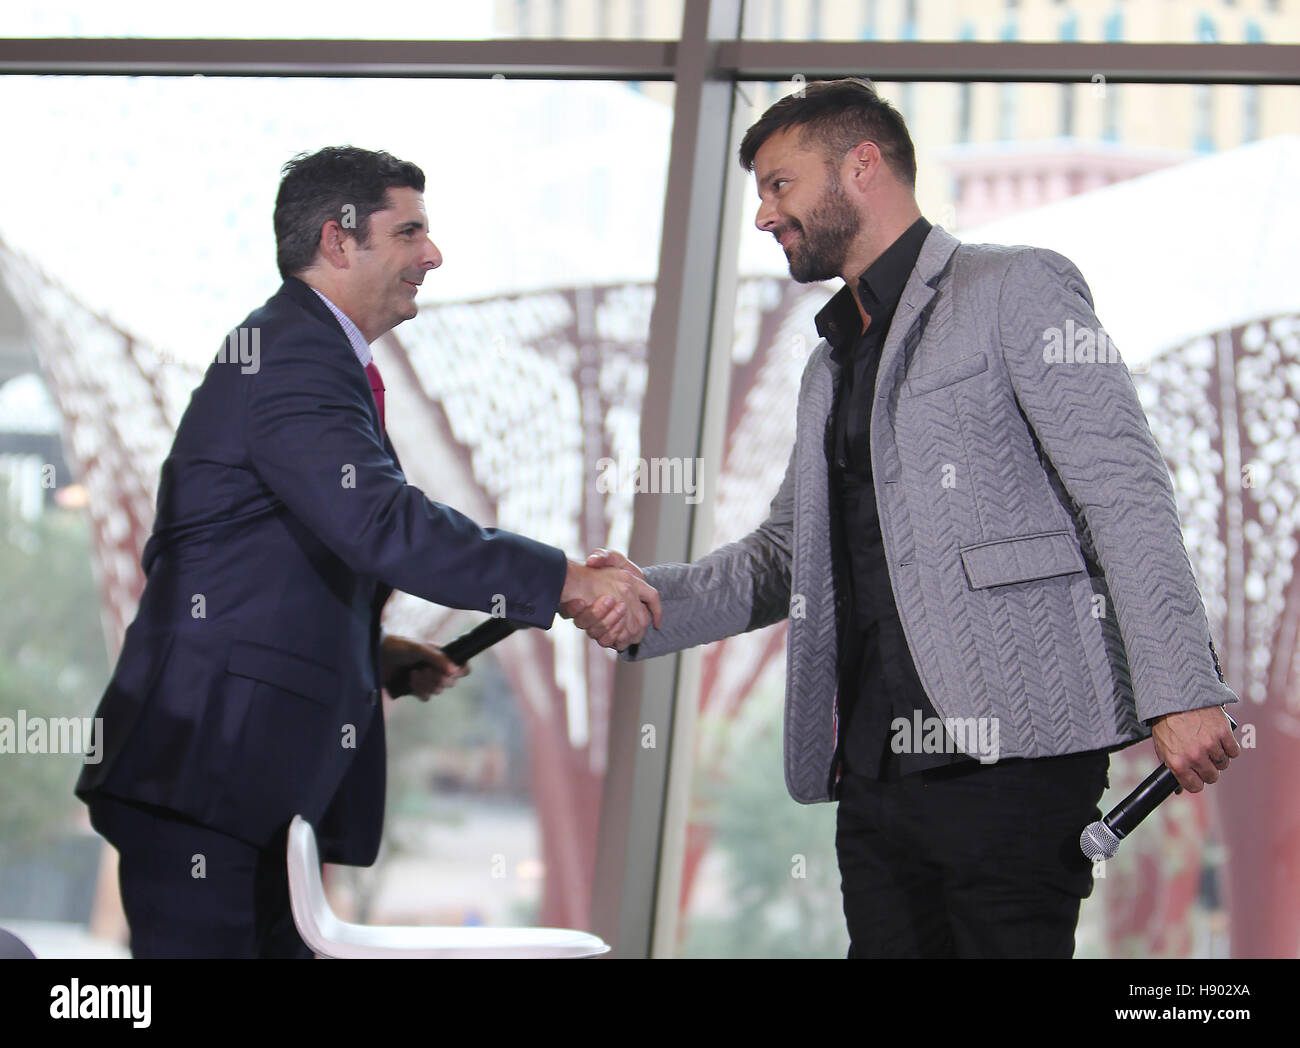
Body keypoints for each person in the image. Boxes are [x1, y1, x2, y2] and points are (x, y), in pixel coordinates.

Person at [563, 79, 1239, 958]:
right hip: (876, 765)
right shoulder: (829, 362)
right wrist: (649, 598)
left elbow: (1125, 492)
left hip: (1017, 754)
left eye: (780, 184)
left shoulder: (1014, 287)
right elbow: (788, 556)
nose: (766, 215)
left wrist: (1181, 690)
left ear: (863, 165)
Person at [75, 146, 660, 958]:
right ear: (338, 240)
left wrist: (369, 653)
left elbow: (261, 556)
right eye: (411, 231)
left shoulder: (306, 352)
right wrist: (562, 579)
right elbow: (381, 521)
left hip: (237, 782)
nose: (434, 254)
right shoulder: (293, 355)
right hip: (209, 776)